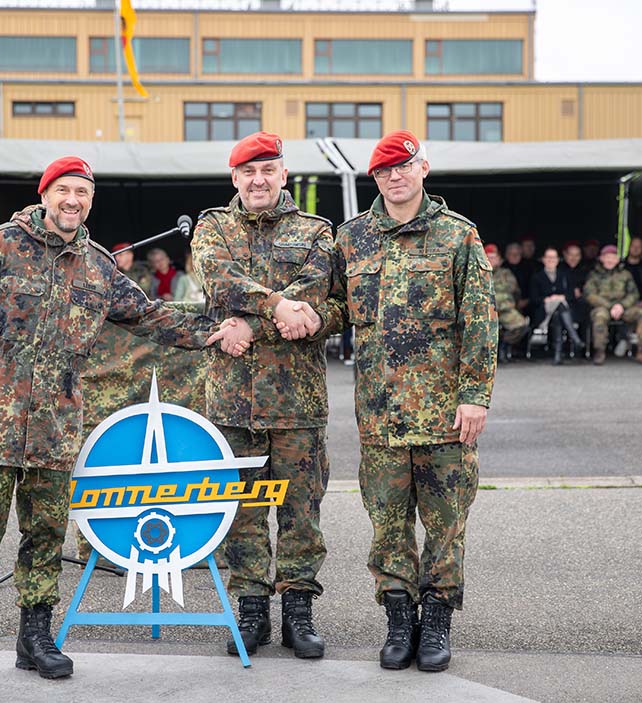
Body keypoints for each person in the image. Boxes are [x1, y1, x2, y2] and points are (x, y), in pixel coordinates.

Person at [0, 155, 242, 687]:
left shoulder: (98, 267)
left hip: (56, 426)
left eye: (82, 193)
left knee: (45, 534)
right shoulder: (0, 247)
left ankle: (35, 637)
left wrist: (214, 330)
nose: (72, 200)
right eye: (63, 190)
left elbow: (150, 315)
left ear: (90, 201)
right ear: (45, 195)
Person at [307, 130, 496, 673]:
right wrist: (311, 316)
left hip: (444, 417)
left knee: (445, 525)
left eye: (403, 166)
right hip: (381, 417)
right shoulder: (353, 239)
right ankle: (397, 621)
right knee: (387, 525)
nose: (394, 177)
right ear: (376, 179)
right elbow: (338, 307)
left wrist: (475, 396)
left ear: (423, 168)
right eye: (384, 171)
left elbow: (480, 323)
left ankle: (435, 622)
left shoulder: (458, 237)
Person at [191, 131, 333, 661]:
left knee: (302, 510)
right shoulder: (212, 226)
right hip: (233, 402)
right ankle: (250, 609)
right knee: (242, 508)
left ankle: (299, 610)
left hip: (298, 401)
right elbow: (218, 279)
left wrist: (248, 324)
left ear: (283, 176)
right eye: (248, 172)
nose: (258, 180)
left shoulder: (317, 232)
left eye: (268, 170)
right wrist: (277, 305)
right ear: (235, 178)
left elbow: (316, 298)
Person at [583, 244, 642, 365]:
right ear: (601, 258)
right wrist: (610, 306)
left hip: (623, 307)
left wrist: (621, 306)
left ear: (618, 259)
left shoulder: (625, 274)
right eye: (607, 257)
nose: (610, 260)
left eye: (613, 257)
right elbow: (590, 295)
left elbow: (633, 294)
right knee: (599, 316)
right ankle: (599, 351)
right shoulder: (594, 275)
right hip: (602, 307)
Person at [529, 247, 586, 365]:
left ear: (558, 260)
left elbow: (571, 295)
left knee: (558, 313)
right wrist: (548, 299)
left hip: (564, 310)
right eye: (548, 257)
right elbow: (534, 298)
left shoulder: (565, 276)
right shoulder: (536, 277)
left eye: (553, 257)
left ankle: (557, 354)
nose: (551, 260)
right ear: (543, 259)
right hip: (544, 311)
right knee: (558, 309)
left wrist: (561, 297)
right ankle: (573, 337)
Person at [485, 243, 528, 362]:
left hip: (505, 309)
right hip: (484, 311)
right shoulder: (478, 273)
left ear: (499, 259)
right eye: (488, 257)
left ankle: (503, 345)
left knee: (521, 325)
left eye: (494, 257)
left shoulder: (506, 274)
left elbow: (515, 291)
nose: (491, 260)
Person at [502, 242, 531, 310]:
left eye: (517, 254)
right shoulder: (502, 268)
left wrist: (527, 300)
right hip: (505, 304)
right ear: (507, 255)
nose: (515, 256)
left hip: (525, 302)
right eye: (512, 254)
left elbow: (532, 287)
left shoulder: (528, 268)